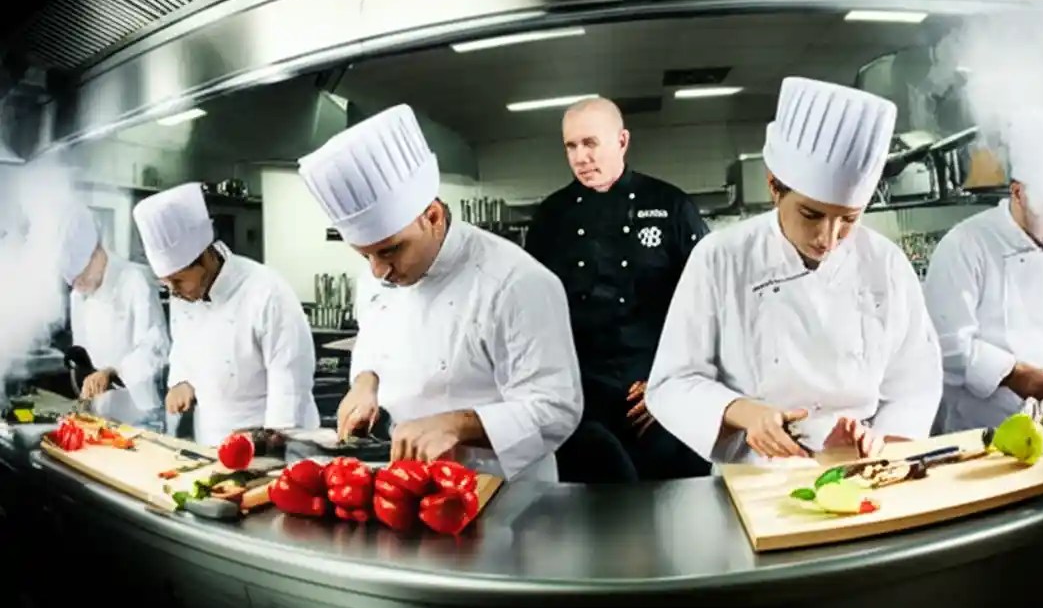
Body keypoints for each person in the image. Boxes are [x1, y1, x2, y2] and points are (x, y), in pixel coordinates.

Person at [646, 77, 944, 467]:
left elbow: (914, 384)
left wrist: (879, 442)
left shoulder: (885, 264)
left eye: (848, 220)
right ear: (774, 186)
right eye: (811, 214)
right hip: (756, 475)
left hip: (863, 472)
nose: (828, 237)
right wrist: (745, 412)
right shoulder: (720, 257)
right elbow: (672, 383)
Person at [296, 104, 582, 482]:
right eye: (364, 255)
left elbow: (557, 407)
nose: (378, 271)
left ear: (431, 217)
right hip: (408, 483)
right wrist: (367, 383)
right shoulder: (377, 274)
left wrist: (458, 424)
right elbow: (374, 341)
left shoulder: (518, 282)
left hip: (502, 492)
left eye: (389, 250)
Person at [524, 97, 711, 483]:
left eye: (590, 143)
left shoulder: (671, 206)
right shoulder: (551, 217)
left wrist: (670, 383)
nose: (580, 157)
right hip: (584, 403)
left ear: (622, 141)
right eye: (570, 147)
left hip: (659, 398)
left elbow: (707, 307)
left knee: (676, 510)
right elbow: (533, 316)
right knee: (597, 519)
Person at [924, 110, 1043, 433]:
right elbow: (945, 345)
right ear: (1018, 193)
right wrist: (1014, 373)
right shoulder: (966, 245)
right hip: (984, 433)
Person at [132, 182, 320, 446]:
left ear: (206, 257)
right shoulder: (184, 295)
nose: (173, 293)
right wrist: (182, 381)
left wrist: (275, 439)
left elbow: (290, 384)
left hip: (270, 441)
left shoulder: (267, 292)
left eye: (178, 281)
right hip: (210, 441)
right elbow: (185, 347)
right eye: (166, 284)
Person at [59, 203, 169, 429]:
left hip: (140, 416)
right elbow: (84, 358)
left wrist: (114, 373)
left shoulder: (134, 281)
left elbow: (156, 348)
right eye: (74, 282)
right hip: (99, 415)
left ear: (97, 252)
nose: (79, 285)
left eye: (82, 275)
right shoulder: (79, 295)